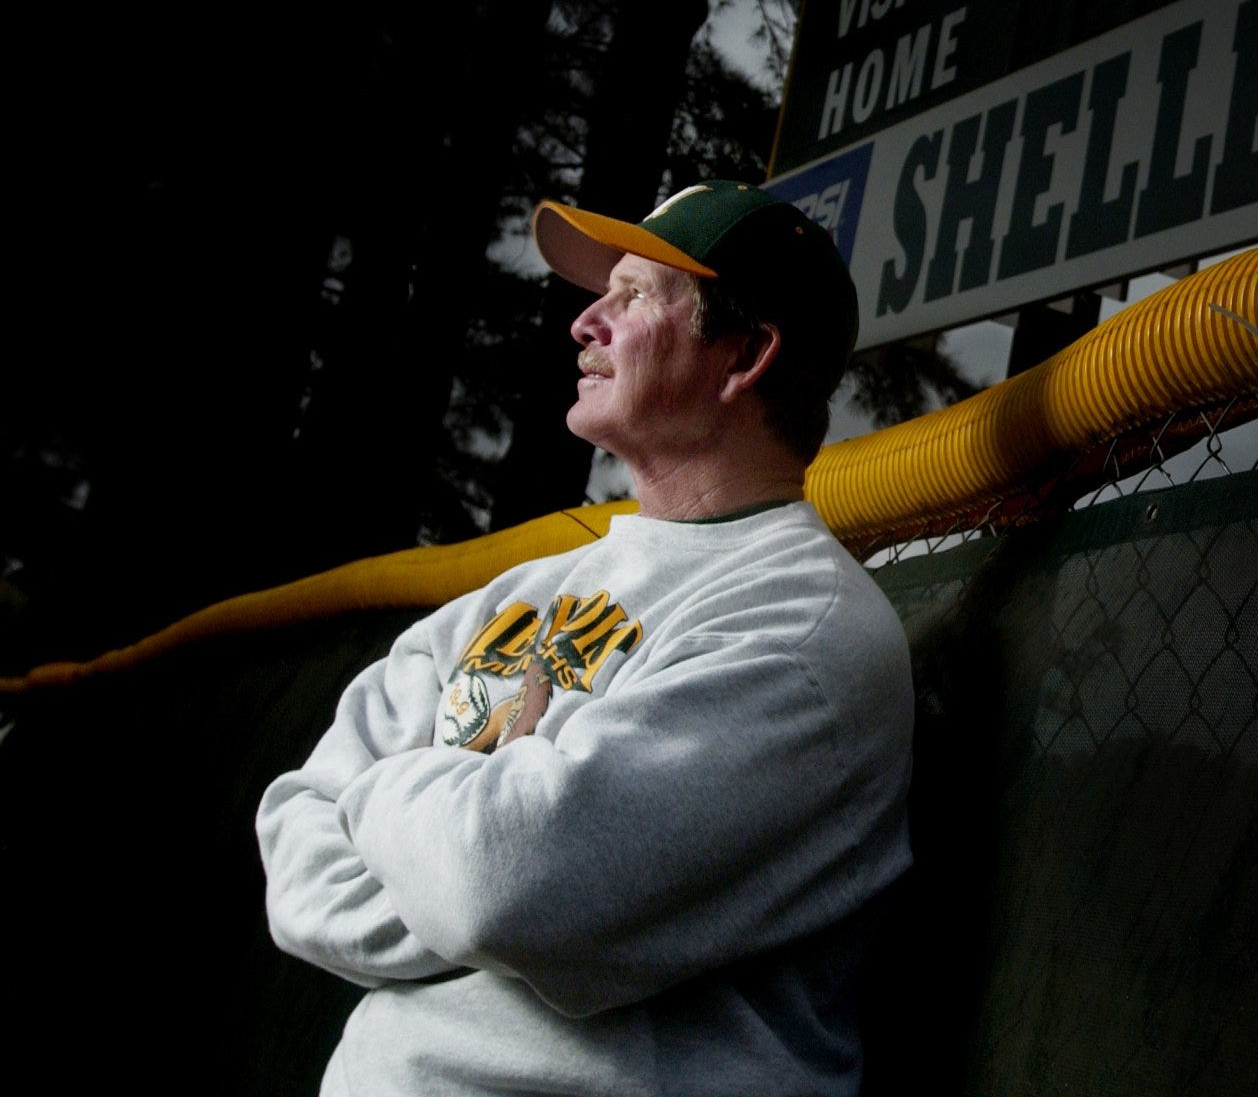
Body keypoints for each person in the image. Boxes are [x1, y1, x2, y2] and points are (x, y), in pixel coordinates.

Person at [257, 179, 913, 1096]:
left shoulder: (803, 629)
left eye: (637, 295)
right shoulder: (517, 594)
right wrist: (472, 830)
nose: (586, 322)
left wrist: (394, 793)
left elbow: (506, 883)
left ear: (743, 355)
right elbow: (296, 839)